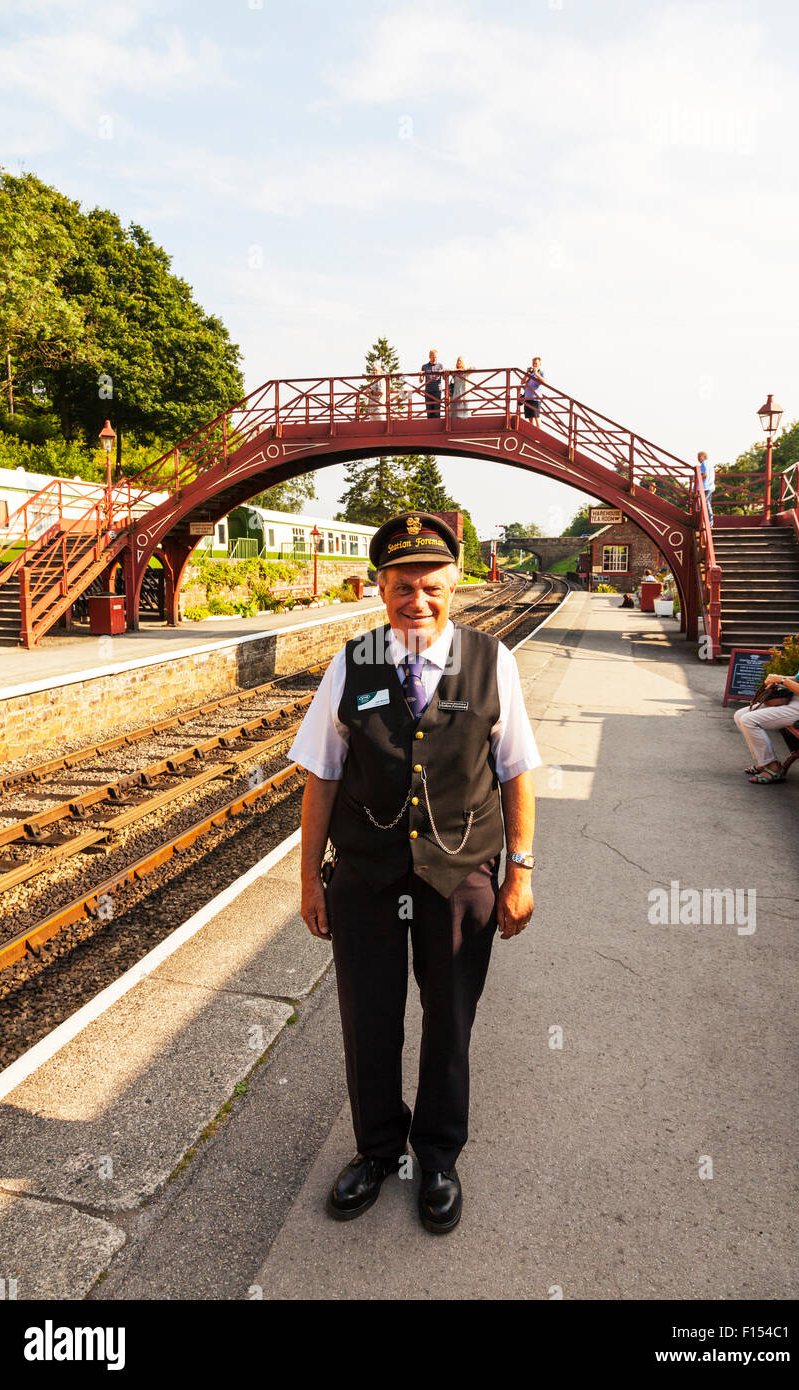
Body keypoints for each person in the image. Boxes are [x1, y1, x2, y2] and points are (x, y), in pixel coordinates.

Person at [289, 511, 540, 1235]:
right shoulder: (353, 660)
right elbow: (322, 776)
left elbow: (517, 771)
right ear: (380, 587)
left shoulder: (492, 662)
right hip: (366, 874)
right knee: (368, 1018)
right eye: (402, 586)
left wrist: (519, 872)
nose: (417, 601)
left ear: (455, 583)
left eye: (431, 585)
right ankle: (374, 1150)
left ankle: (436, 1157)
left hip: (460, 871)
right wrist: (309, 881)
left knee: (449, 1017)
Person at [733, 610, 799, 782]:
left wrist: (781, 680)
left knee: (749, 720)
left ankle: (773, 767)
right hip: (795, 700)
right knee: (740, 715)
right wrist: (777, 678)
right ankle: (764, 762)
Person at [520, 356, 548, 424]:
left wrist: (536, 374)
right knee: (530, 418)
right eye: (533, 363)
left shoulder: (541, 372)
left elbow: (544, 381)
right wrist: (527, 373)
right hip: (527, 398)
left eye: (536, 363)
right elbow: (522, 382)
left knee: (536, 417)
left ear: (539, 364)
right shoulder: (530, 373)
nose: (534, 365)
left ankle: (540, 432)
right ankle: (532, 431)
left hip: (535, 398)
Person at [420, 350, 445, 419]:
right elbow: (420, 381)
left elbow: (444, 378)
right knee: (429, 411)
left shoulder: (440, 365)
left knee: (437, 412)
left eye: (436, 357)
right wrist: (421, 374)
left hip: (437, 390)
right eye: (433, 356)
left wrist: (443, 372)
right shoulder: (424, 366)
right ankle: (430, 426)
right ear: (429, 357)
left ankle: (437, 426)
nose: (434, 358)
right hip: (428, 391)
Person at [698, 451, 715, 525]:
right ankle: (709, 521)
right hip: (710, 486)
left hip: (705, 487)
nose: (698, 459)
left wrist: (696, 479)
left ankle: (705, 521)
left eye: (699, 457)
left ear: (704, 456)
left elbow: (704, 475)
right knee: (707, 503)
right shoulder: (710, 464)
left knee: (703, 504)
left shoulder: (704, 463)